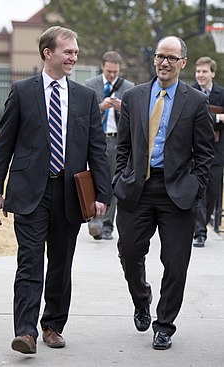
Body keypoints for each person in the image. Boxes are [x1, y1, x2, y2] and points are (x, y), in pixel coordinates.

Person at [0, 26, 111, 355]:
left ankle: (53, 325)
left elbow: (96, 149)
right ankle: (25, 332)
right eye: (68, 51)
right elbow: (4, 145)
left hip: (70, 193)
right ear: (48, 53)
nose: (74, 57)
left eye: (75, 51)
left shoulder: (86, 97)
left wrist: (102, 194)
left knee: (60, 263)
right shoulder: (23, 91)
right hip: (30, 192)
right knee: (29, 262)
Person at [112, 36, 214, 350]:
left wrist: (195, 187)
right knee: (128, 250)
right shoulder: (134, 97)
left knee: (175, 262)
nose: (164, 63)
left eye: (171, 57)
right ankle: (141, 299)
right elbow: (124, 146)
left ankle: (164, 325)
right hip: (137, 188)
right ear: (154, 59)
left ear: (183, 62)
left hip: (177, 193)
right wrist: (119, 178)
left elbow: (204, 153)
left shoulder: (195, 101)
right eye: (160, 56)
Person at [85, 51, 134, 240]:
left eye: (115, 71)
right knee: (92, 180)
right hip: (96, 139)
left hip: (117, 140)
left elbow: (136, 116)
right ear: (102, 67)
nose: (112, 75)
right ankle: (93, 219)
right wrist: (100, 107)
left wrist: (124, 109)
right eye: (109, 71)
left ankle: (107, 225)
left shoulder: (128, 88)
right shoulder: (91, 86)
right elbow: (82, 114)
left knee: (113, 182)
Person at [192, 57, 224, 247]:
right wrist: (217, 117)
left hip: (217, 151)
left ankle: (202, 226)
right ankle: (200, 233)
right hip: (194, 151)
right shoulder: (189, 92)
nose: (201, 75)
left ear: (212, 73)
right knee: (199, 193)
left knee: (212, 193)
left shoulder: (222, 93)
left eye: (204, 72)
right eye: (198, 72)